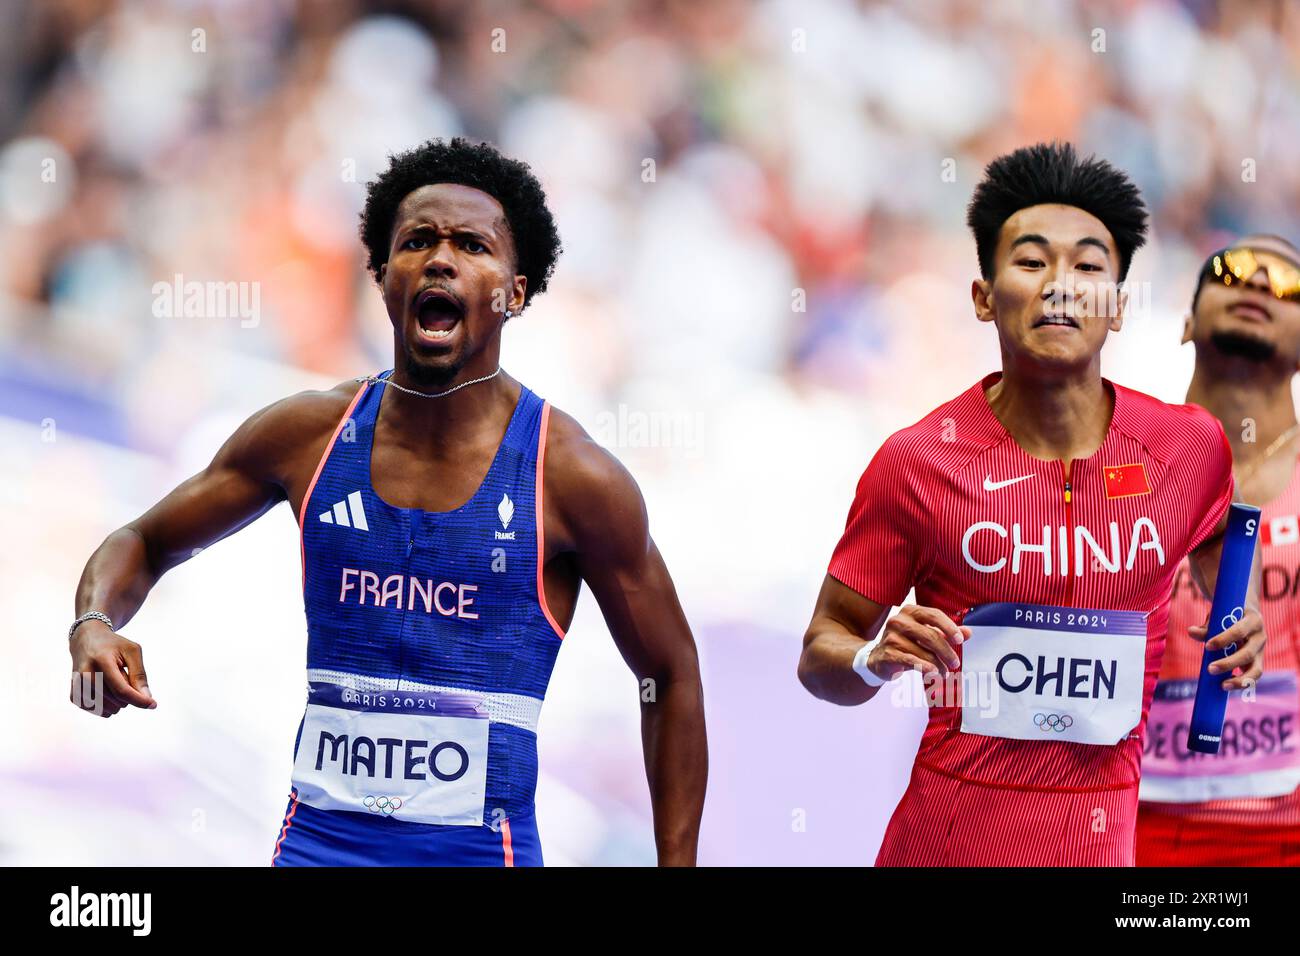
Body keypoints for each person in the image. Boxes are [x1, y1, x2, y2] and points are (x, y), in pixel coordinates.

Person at [68, 137, 707, 866]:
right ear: (382, 275)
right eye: (417, 241)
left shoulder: (571, 478)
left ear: (517, 291)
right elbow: (144, 541)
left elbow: (672, 675)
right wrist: (92, 623)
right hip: (319, 848)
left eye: (472, 244)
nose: (441, 259)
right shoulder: (306, 437)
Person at [797, 142, 1265, 866]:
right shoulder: (917, 463)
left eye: (1087, 266)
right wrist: (871, 656)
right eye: (1030, 261)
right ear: (983, 297)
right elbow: (818, 656)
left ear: (1118, 305)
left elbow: (1224, 561)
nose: (1060, 285)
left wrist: (1244, 625)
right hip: (944, 843)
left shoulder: (1190, 450)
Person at [1136, 234, 1300, 866]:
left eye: (1285, 283)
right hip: (1136, 825)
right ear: (1186, 323)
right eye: (1231, 272)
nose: (1257, 284)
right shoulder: (1121, 462)